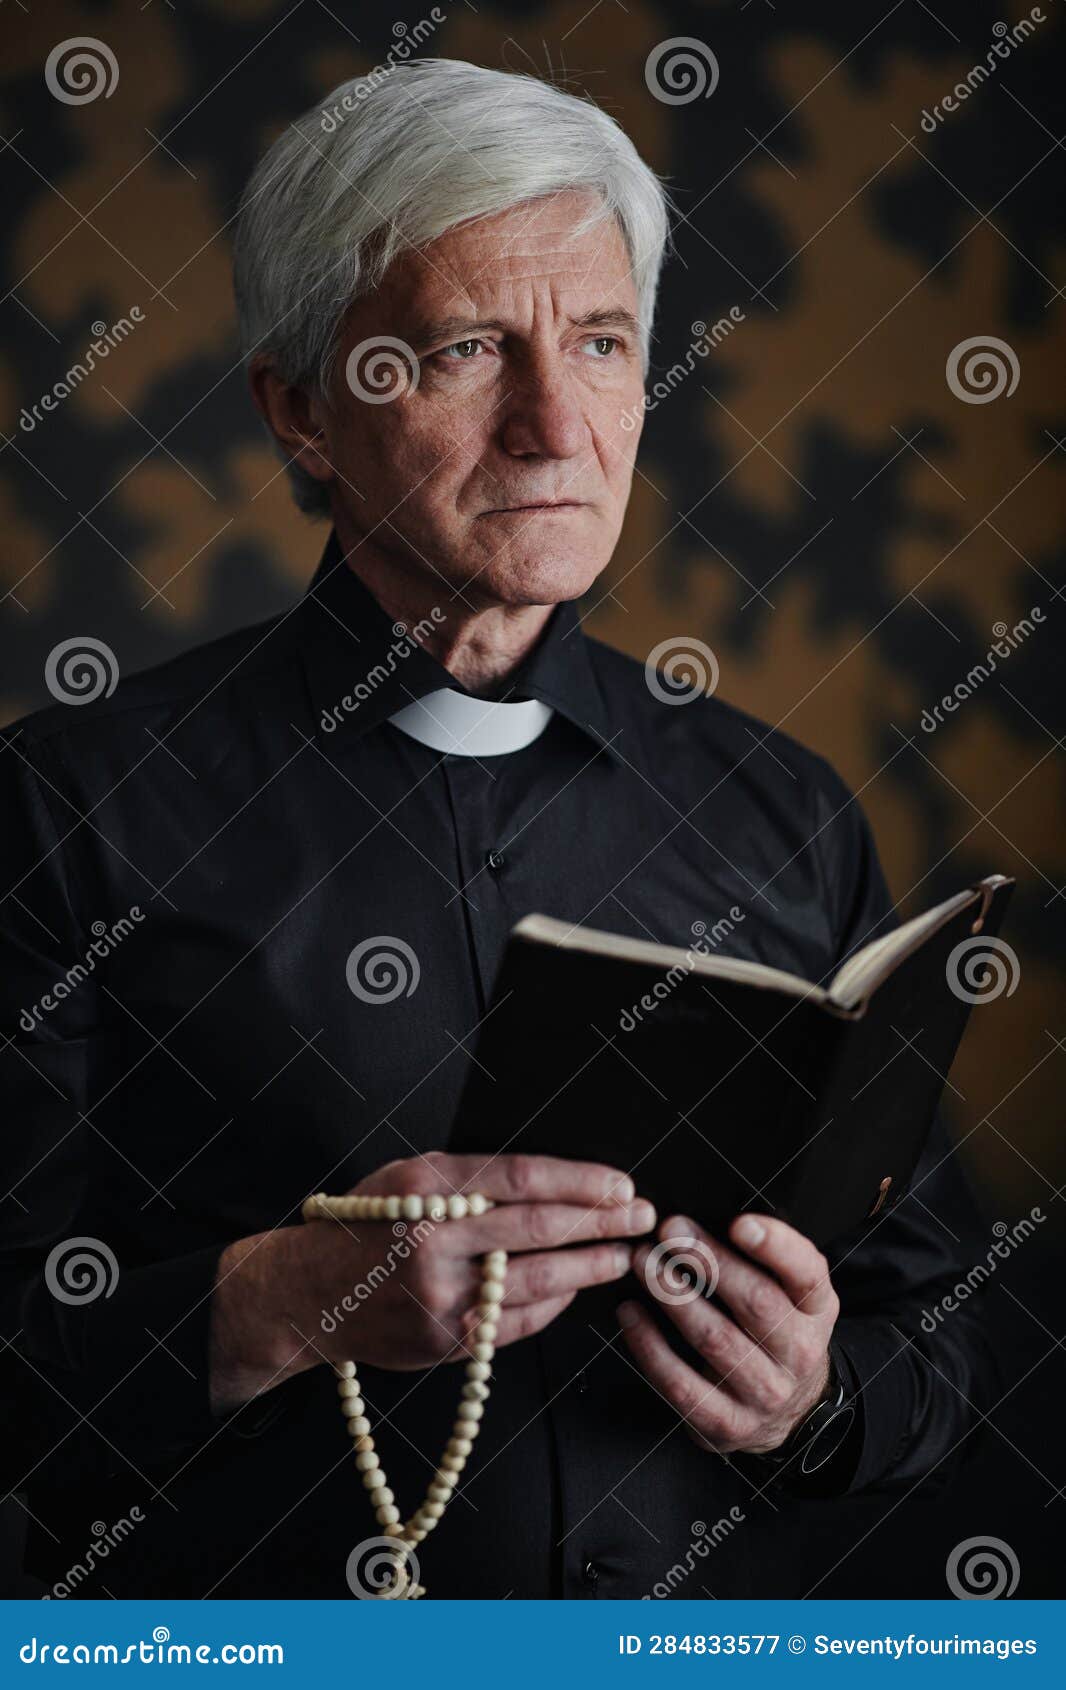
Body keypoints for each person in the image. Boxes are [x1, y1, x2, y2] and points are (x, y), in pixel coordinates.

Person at [0, 59, 990, 1600]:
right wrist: (283, 1298)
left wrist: (817, 1393)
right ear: (302, 407)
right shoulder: (68, 807)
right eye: (466, 347)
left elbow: (929, 1328)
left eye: (599, 343)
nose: (554, 425)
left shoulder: (784, 813)